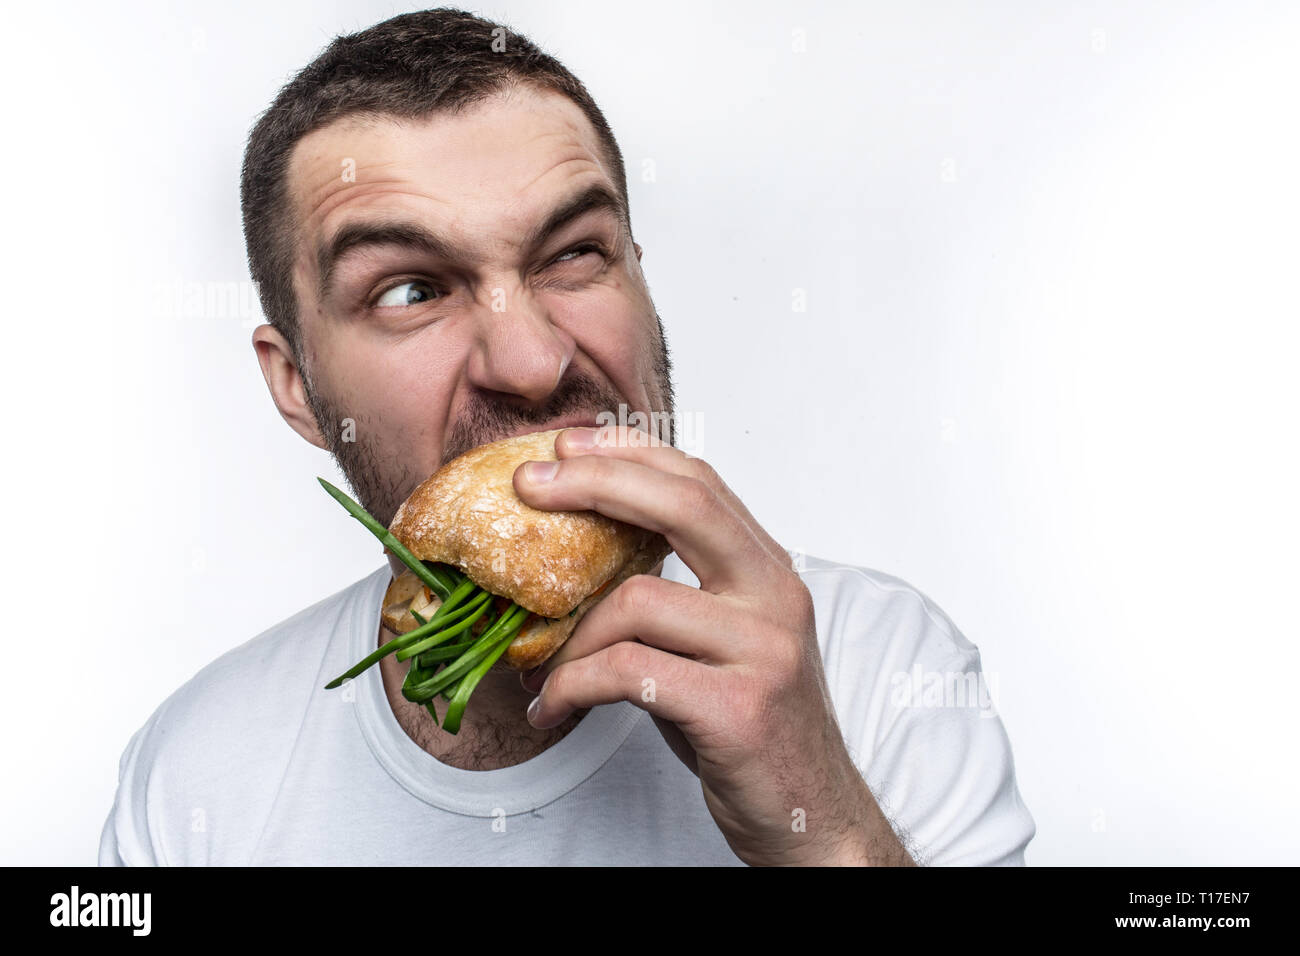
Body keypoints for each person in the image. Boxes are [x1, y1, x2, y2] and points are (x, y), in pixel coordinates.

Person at [99, 7, 1034, 866]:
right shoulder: (194, 779)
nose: (533, 360)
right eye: (412, 290)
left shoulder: (881, 671)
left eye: (575, 253)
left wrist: (825, 831)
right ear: (297, 386)